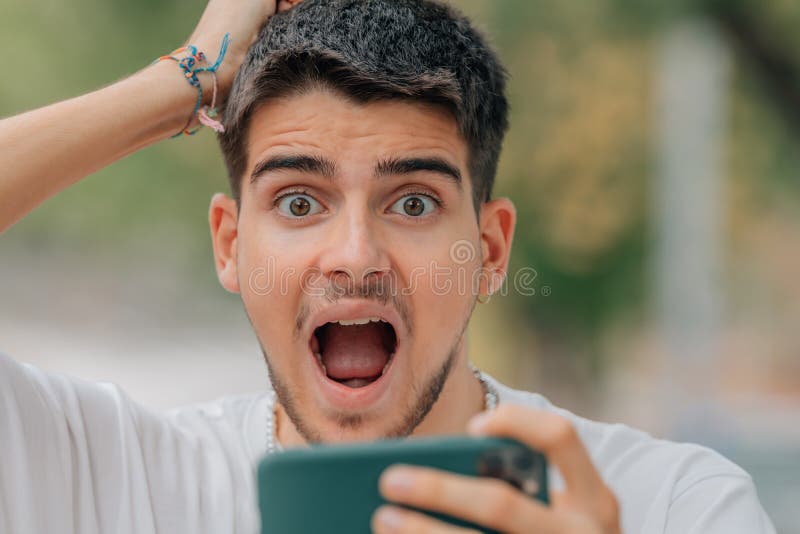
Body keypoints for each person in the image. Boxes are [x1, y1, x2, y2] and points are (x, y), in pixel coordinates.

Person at [0, 0, 776, 533]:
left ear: (491, 253)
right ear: (230, 244)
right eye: (299, 202)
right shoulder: (101, 476)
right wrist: (186, 79)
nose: (354, 257)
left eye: (412, 204)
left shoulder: (676, 507)